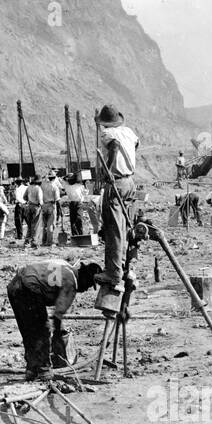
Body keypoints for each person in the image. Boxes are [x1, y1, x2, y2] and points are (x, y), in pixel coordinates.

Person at [6, 258, 101, 381]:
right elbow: (57, 317)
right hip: (29, 288)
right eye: (89, 284)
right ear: (84, 277)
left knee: (28, 332)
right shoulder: (71, 284)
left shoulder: (66, 268)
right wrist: (58, 338)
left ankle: (32, 370)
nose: (86, 289)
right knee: (42, 331)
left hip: (15, 284)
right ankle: (44, 372)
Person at [95, 105, 138, 292]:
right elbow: (135, 144)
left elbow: (114, 146)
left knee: (113, 229)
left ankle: (113, 272)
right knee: (126, 226)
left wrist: (109, 169)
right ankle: (125, 266)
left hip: (116, 183)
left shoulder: (108, 134)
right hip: (130, 182)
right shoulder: (128, 132)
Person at [39, 172, 60, 246]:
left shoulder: (43, 184)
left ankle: (43, 241)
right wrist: (60, 210)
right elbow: (57, 199)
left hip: (44, 205)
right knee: (50, 224)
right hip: (51, 205)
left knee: (44, 224)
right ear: (54, 178)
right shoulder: (55, 186)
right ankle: (49, 242)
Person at [24, 175, 43, 247]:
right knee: (36, 225)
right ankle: (34, 241)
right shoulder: (38, 189)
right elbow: (40, 200)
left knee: (29, 225)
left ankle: (27, 240)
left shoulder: (29, 187)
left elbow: (24, 197)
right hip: (36, 207)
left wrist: (29, 201)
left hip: (29, 206)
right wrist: (41, 205)